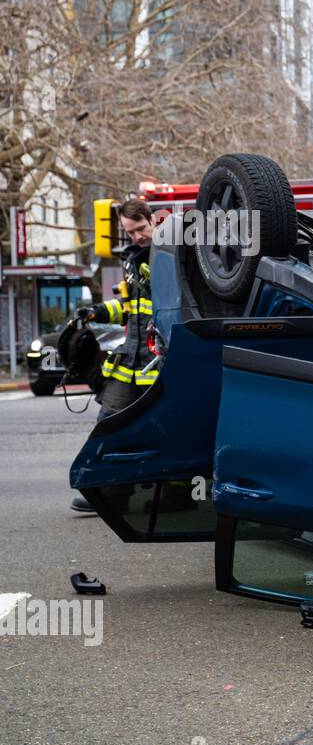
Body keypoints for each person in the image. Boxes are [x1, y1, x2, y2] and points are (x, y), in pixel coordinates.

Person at [71, 199, 159, 513]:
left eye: (140, 229)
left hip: (157, 362)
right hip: (129, 361)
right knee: (107, 422)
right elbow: (127, 308)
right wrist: (96, 311)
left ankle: (174, 498)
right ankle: (105, 494)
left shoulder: (172, 257)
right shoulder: (133, 259)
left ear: (153, 220)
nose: (136, 236)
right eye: (129, 232)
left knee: (158, 430)